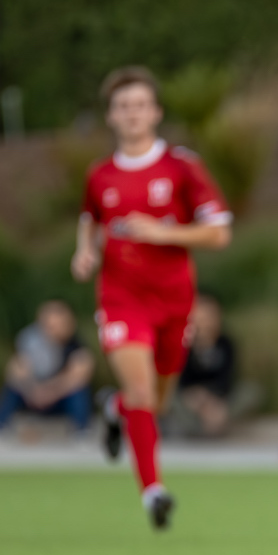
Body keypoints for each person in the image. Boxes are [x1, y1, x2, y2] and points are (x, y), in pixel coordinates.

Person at [71, 66, 232, 530]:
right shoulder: (99, 175)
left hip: (174, 300)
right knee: (141, 390)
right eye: (123, 107)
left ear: (156, 112)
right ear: (111, 117)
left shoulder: (182, 167)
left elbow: (219, 234)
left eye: (140, 105)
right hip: (122, 297)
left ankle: (113, 408)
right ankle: (153, 491)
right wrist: (84, 252)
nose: (132, 114)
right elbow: (89, 218)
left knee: (154, 403)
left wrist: (164, 233)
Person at [0, 300, 94, 436]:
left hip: (58, 398)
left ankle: (82, 430)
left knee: (79, 391)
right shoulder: (30, 342)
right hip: (32, 395)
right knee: (12, 386)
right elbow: (15, 370)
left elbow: (77, 377)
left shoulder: (77, 347)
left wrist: (49, 391)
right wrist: (32, 389)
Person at [168, 294, 236, 438]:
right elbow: (180, 378)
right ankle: (192, 428)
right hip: (188, 396)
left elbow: (227, 378)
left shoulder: (225, 344)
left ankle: (211, 428)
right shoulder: (184, 343)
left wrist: (209, 397)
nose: (204, 324)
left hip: (215, 396)